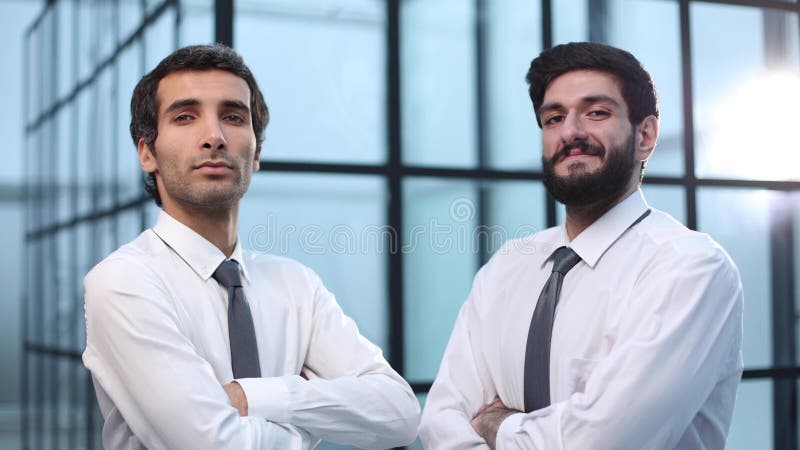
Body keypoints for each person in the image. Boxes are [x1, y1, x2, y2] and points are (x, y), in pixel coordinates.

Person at [82, 44, 420, 449]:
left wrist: (253, 396)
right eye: (185, 117)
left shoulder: (296, 284)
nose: (214, 137)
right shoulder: (123, 282)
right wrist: (315, 419)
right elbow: (214, 445)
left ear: (256, 152)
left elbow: (400, 413)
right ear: (147, 152)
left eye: (233, 117)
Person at [418, 42, 743, 449]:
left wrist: (497, 427)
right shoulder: (507, 266)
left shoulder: (690, 268)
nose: (570, 132)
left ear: (645, 135)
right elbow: (440, 420)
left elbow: (603, 441)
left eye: (596, 112)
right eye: (553, 118)